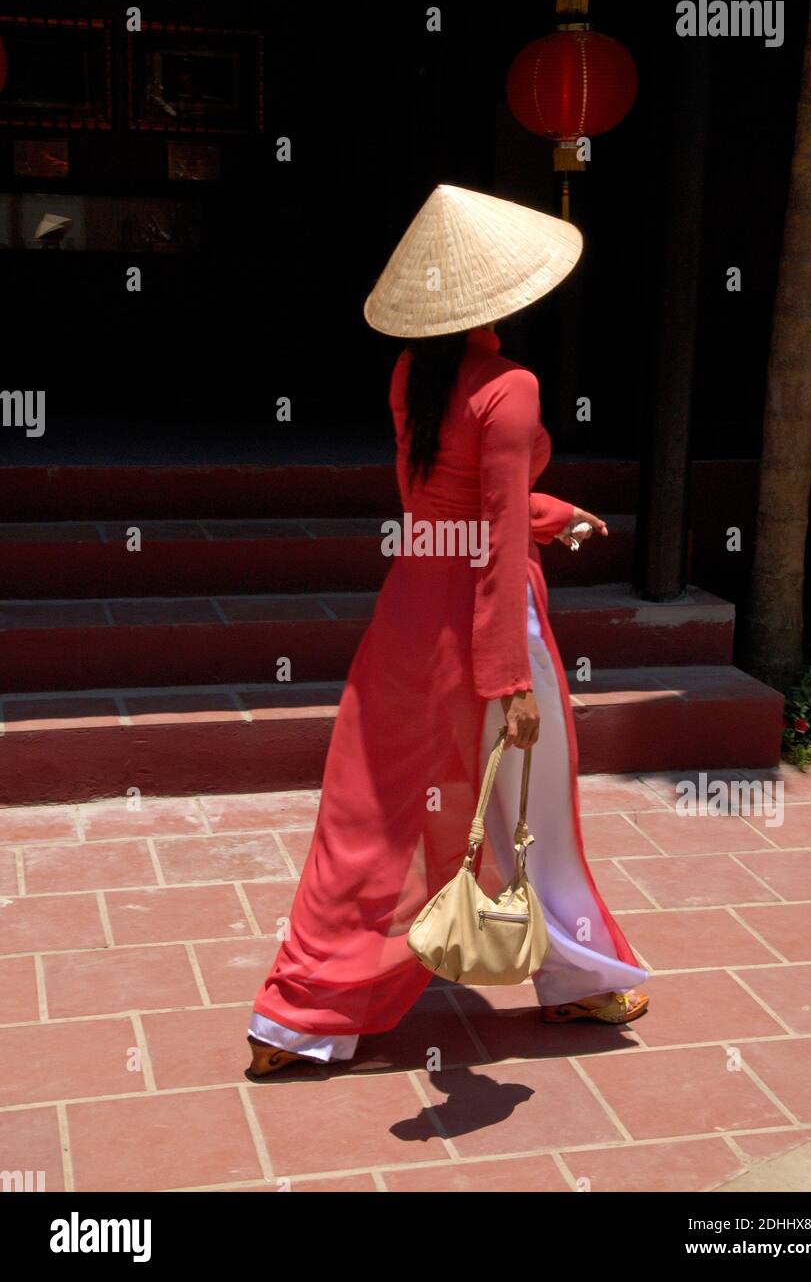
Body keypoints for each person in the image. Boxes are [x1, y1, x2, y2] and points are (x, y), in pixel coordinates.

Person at [247, 184, 649, 1075]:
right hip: (488, 625)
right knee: (531, 810)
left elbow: (441, 504)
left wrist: (549, 514)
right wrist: (509, 683)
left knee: (375, 816)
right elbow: (496, 537)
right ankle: (576, 976)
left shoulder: (410, 374)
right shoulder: (512, 385)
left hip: (405, 623)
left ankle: (303, 1010)